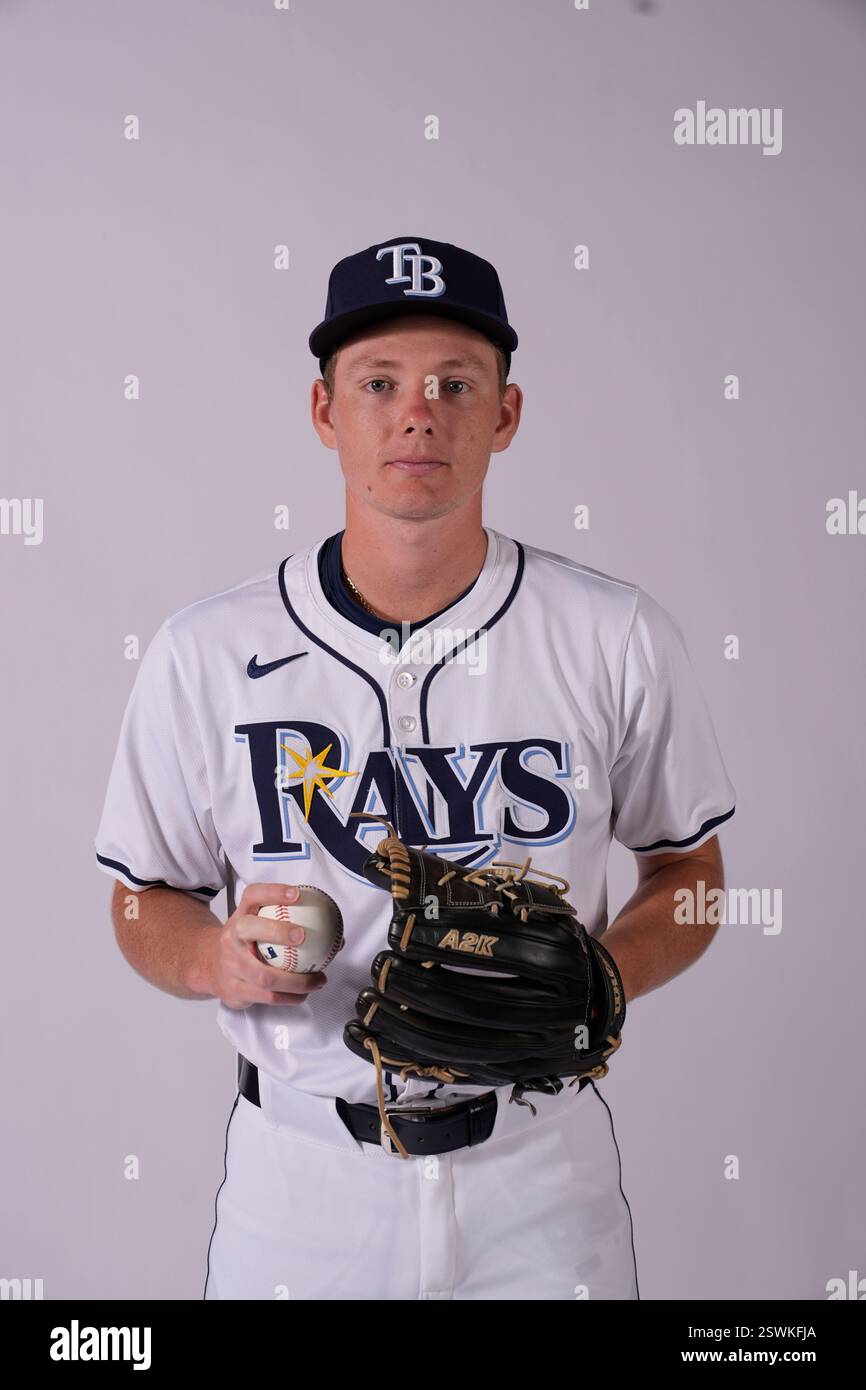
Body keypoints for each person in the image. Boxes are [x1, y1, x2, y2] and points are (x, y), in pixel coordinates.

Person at [95, 235, 735, 1300]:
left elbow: (692, 873)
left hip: (539, 1179)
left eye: (455, 384)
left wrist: (603, 978)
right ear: (324, 412)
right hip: (299, 1191)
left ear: (506, 414)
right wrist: (212, 959)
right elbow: (137, 900)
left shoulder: (611, 633)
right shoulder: (204, 651)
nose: (417, 414)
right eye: (379, 382)